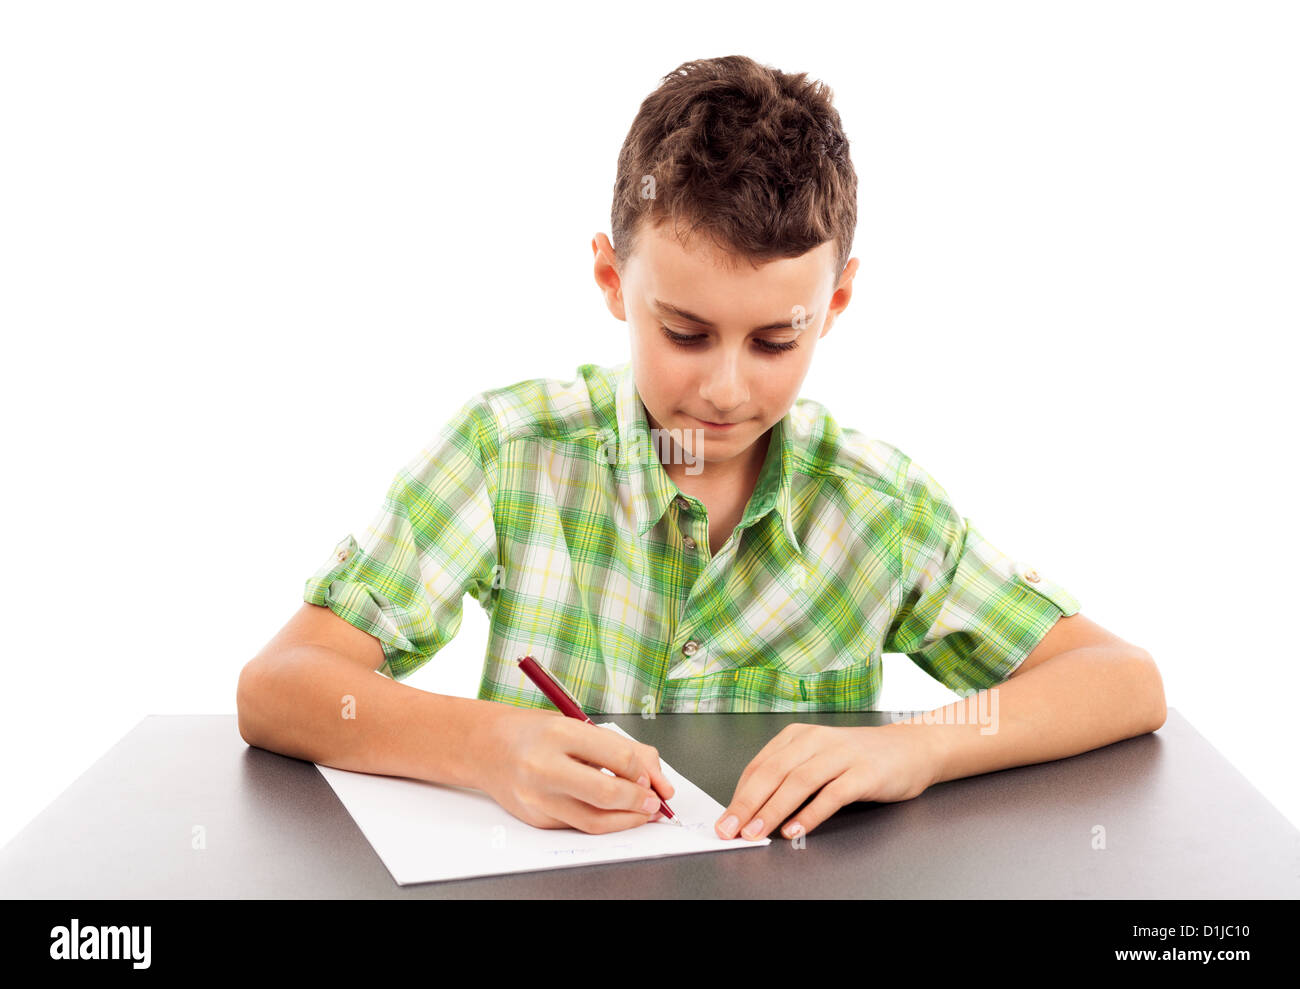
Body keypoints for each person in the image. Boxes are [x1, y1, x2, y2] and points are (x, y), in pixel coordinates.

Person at [236, 55, 1165, 843]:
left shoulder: (876, 509)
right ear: (612, 279)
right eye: (684, 332)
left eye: (774, 342)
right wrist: (487, 746)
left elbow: (1119, 681)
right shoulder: (511, 453)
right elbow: (282, 686)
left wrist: (915, 745)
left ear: (833, 307)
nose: (726, 389)